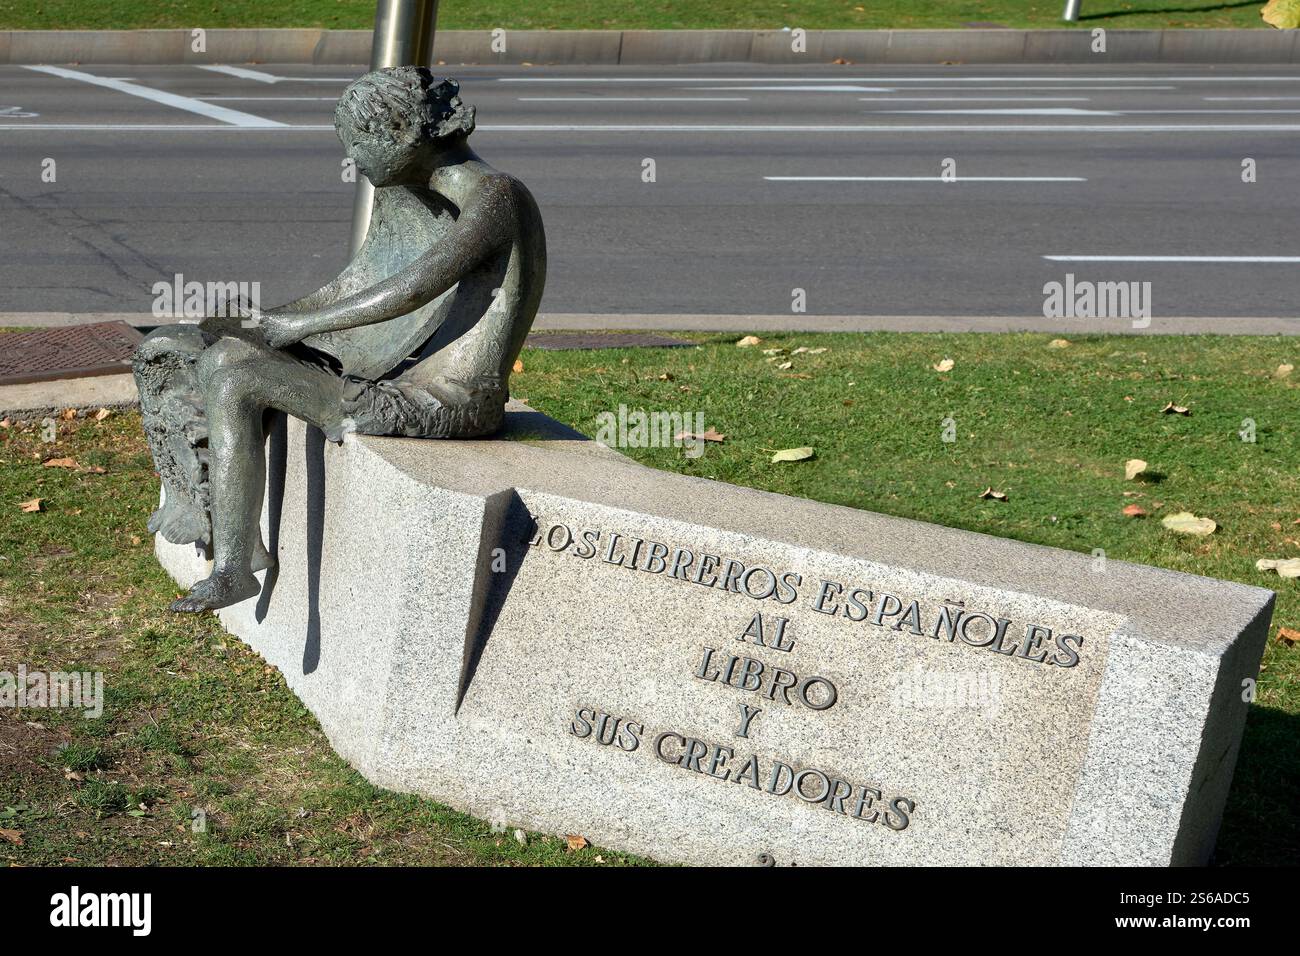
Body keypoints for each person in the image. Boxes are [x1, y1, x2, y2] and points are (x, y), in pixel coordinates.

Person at [133, 66, 546, 613]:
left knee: (237, 372)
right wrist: (264, 319)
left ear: (401, 132)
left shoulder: (497, 198)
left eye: (360, 143)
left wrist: (298, 328)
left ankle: (234, 569)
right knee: (193, 347)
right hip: (403, 376)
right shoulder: (421, 190)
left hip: (448, 403)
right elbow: (360, 283)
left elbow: (412, 287)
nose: (354, 158)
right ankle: (225, 533)